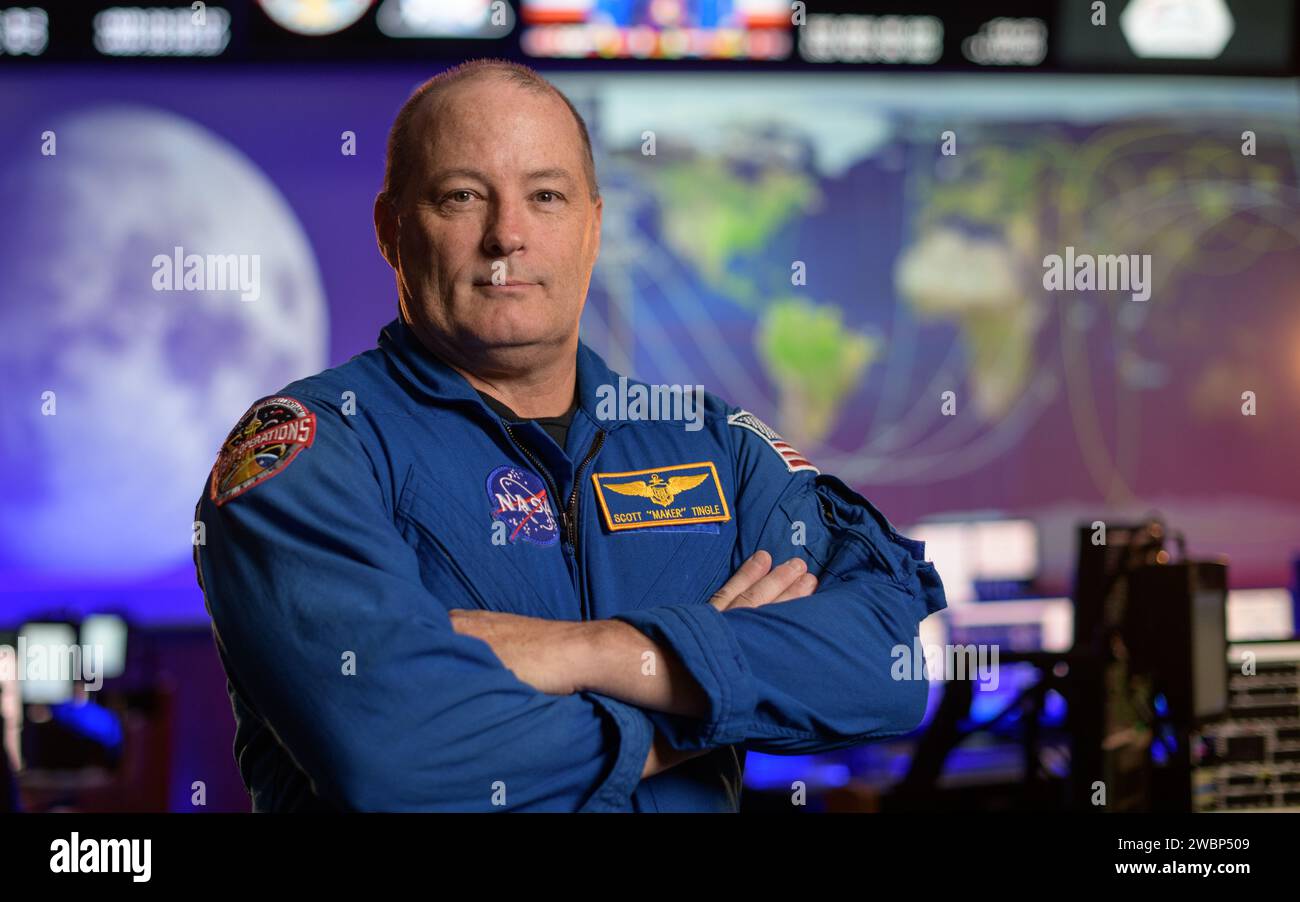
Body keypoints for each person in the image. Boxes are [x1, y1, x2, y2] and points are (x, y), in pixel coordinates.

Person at [193, 59, 947, 812]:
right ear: (392, 230)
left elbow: (887, 665)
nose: (506, 236)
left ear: (594, 227)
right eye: (462, 196)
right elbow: (396, 757)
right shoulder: (312, 452)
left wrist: (594, 650)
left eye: (545, 196)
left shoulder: (710, 445)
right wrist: (702, 697)